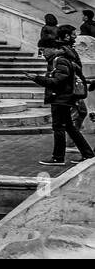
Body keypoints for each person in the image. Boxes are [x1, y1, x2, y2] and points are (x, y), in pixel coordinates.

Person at [30, 24, 95, 165]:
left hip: (61, 97)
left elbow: (59, 80)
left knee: (59, 127)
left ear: (51, 48)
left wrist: (38, 78)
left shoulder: (59, 60)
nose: (42, 54)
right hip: (64, 97)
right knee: (69, 126)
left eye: (43, 50)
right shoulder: (64, 57)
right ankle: (87, 153)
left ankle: (58, 157)